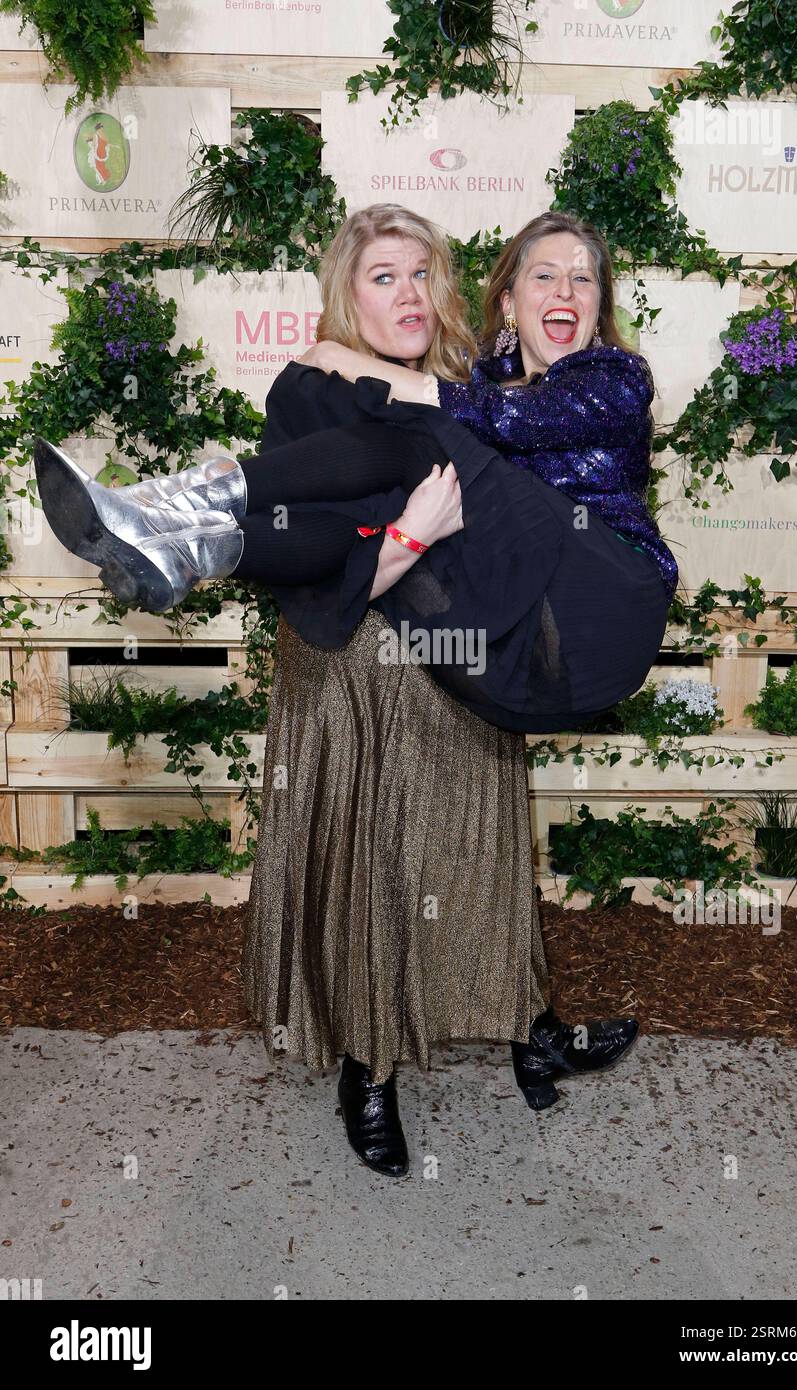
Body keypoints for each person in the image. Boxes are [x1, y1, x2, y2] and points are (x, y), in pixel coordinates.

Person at [32, 204, 662, 1174]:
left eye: (421, 275)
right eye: (384, 277)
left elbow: (488, 438)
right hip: (364, 683)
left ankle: (188, 522)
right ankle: (371, 1072)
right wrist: (404, 539)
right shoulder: (316, 386)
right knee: (384, 884)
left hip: (484, 656)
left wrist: (405, 422)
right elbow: (315, 571)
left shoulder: (493, 389)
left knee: (475, 871)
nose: (408, 293)